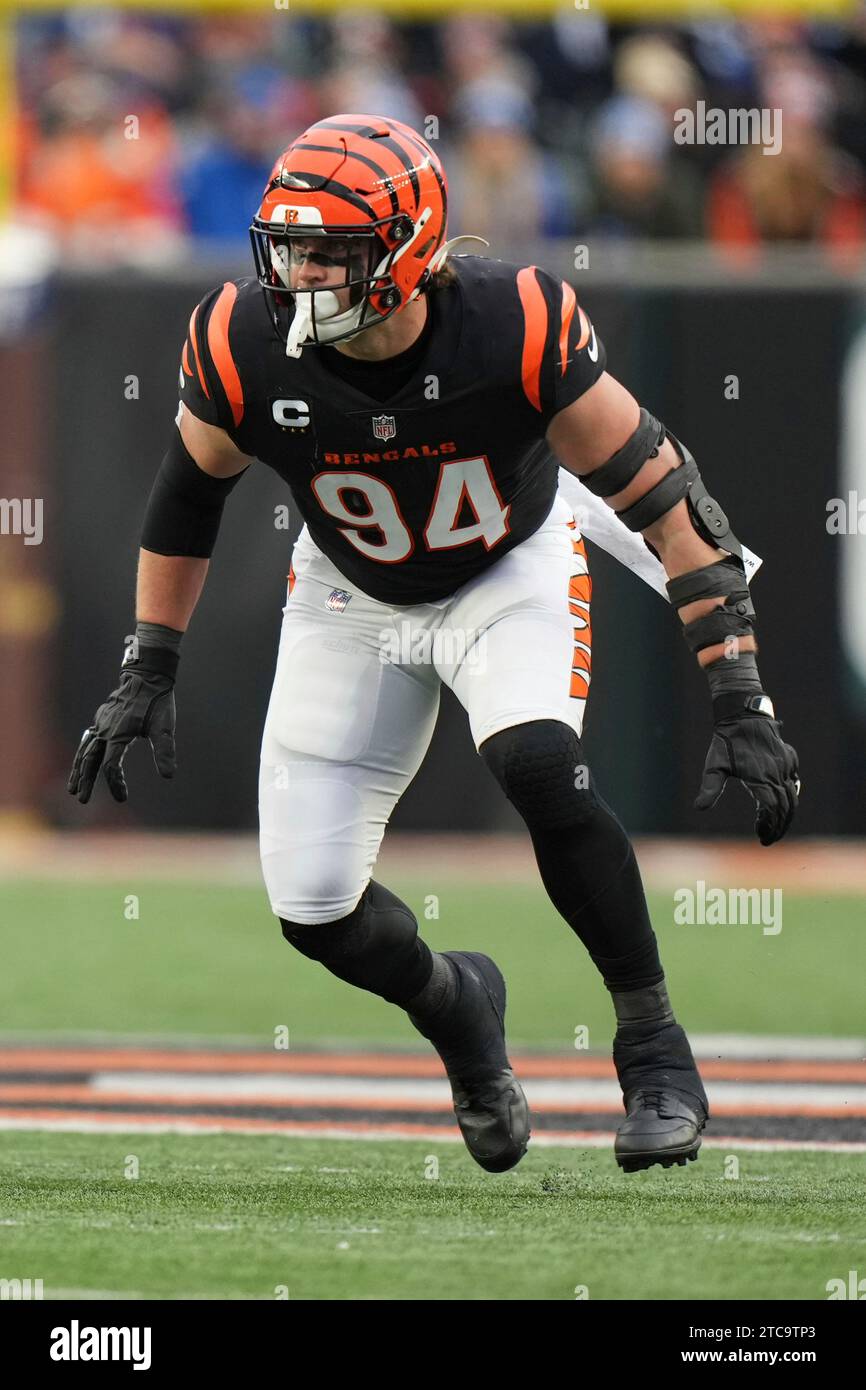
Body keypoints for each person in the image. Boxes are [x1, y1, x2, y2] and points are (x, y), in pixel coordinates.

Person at [69, 115, 800, 1175]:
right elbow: (186, 498)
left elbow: (663, 501)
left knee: (538, 758)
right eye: (288, 245)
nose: (300, 273)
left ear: (408, 248)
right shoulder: (240, 341)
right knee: (313, 909)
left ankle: (651, 1046)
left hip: (507, 560)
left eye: (331, 250)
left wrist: (737, 694)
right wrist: (149, 663)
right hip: (349, 590)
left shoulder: (510, 325)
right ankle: (459, 1009)